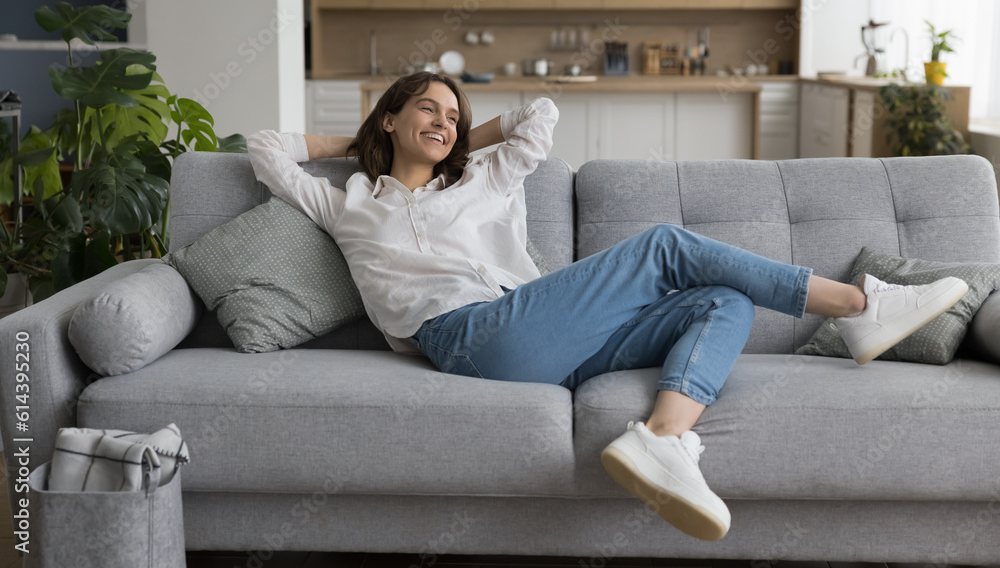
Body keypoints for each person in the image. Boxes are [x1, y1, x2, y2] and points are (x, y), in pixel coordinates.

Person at [247, 71, 967, 542]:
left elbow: (539, 113)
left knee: (720, 297)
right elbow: (266, 147)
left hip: (536, 327)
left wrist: (461, 137)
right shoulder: (346, 202)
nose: (442, 120)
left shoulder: (482, 178)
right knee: (663, 246)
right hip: (466, 338)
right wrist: (365, 139)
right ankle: (857, 303)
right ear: (392, 116)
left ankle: (665, 438)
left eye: (452, 113)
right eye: (425, 109)